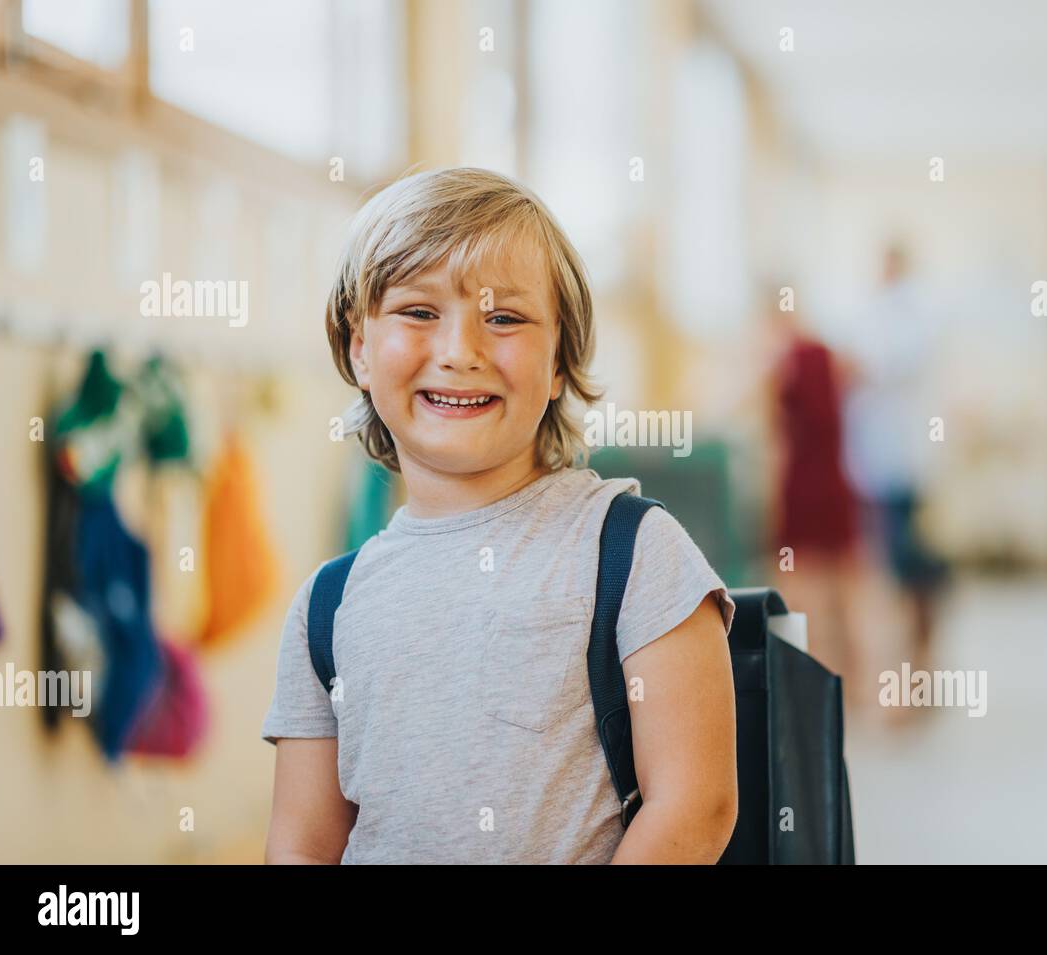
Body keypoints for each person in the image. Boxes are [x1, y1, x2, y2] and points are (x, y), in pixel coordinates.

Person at [262, 168, 738, 864]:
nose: (461, 351)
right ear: (361, 348)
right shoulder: (325, 607)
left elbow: (695, 808)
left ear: (556, 362)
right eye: (419, 312)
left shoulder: (634, 551)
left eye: (505, 318)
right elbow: (301, 844)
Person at [841, 244, 948, 673]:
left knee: (905, 560)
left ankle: (919, 652)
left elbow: (875, 367)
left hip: (900, 460)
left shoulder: (914, 315)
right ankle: (911, 654)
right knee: (890, 560)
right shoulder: (872, 312)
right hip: (874, 462)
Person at [763, 303, 860, 688]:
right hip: (836, 484)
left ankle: (810, 684)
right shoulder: (832, 359)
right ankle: (858, 683)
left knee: (801, 594)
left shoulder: (781, 365)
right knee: (847, 589)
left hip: (801, 488)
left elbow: (773, 435)